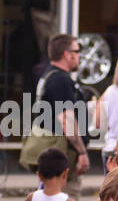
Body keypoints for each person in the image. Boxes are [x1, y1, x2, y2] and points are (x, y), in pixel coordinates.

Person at [35, 34, 91, 189]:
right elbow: (67, 120)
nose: (79, 55)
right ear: (67, 54)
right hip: (63, 155)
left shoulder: (48, 76)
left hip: (53, 154)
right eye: (77, 51)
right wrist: (82, 152)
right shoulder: (60, 80)